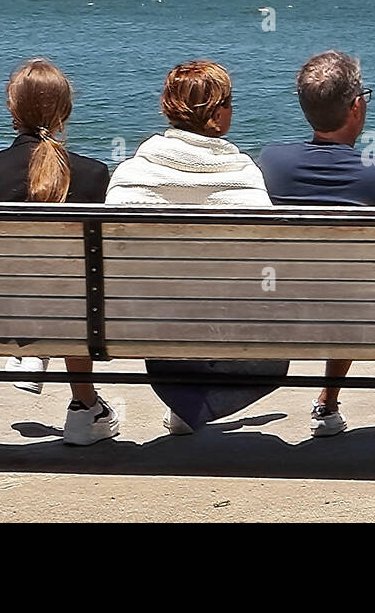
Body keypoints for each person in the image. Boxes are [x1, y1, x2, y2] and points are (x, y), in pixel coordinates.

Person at [258, 50, 375, 438]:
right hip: (360, 320)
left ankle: (328, 404)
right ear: (356, 107)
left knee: (335, 276)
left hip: (277, 314)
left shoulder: (271, 161)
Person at [106, 60, 287, 433]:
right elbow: (265, 264)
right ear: (219, 115)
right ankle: (194, 406)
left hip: (147, 328)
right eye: (230, 102)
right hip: (230, 326)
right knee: (269, 351)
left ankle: (187, 404)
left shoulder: (130, 174)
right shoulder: (245, 176)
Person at [0, 58, 119, 446]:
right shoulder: (94, 174)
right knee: (75, 286)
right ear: (66, 110)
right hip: (80, 318)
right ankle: (84, 406)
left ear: (12, 109)